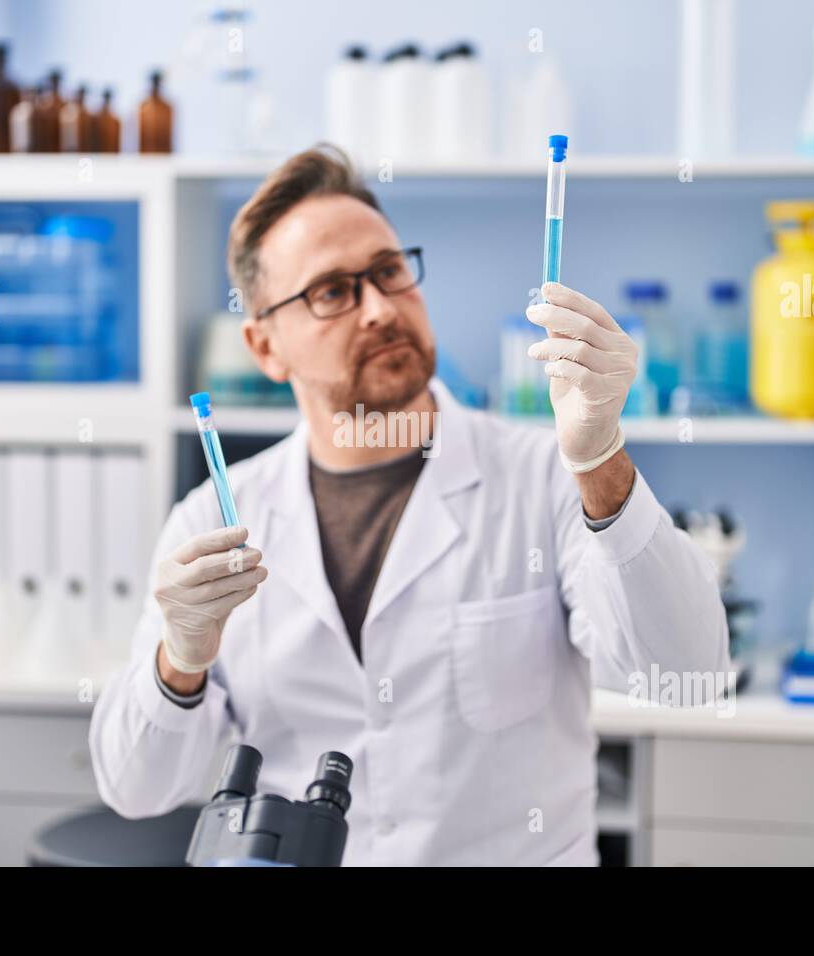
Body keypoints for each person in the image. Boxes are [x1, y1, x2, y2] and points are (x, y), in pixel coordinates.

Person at [90, 145, 729, 865]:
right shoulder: (214, 519)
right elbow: (135, 788)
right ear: (264, 344)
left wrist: (601, 457)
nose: (380, 309)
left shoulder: (545, 477)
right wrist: (182, 658)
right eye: (331, 291)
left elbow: (688, 671)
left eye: (389, 271)